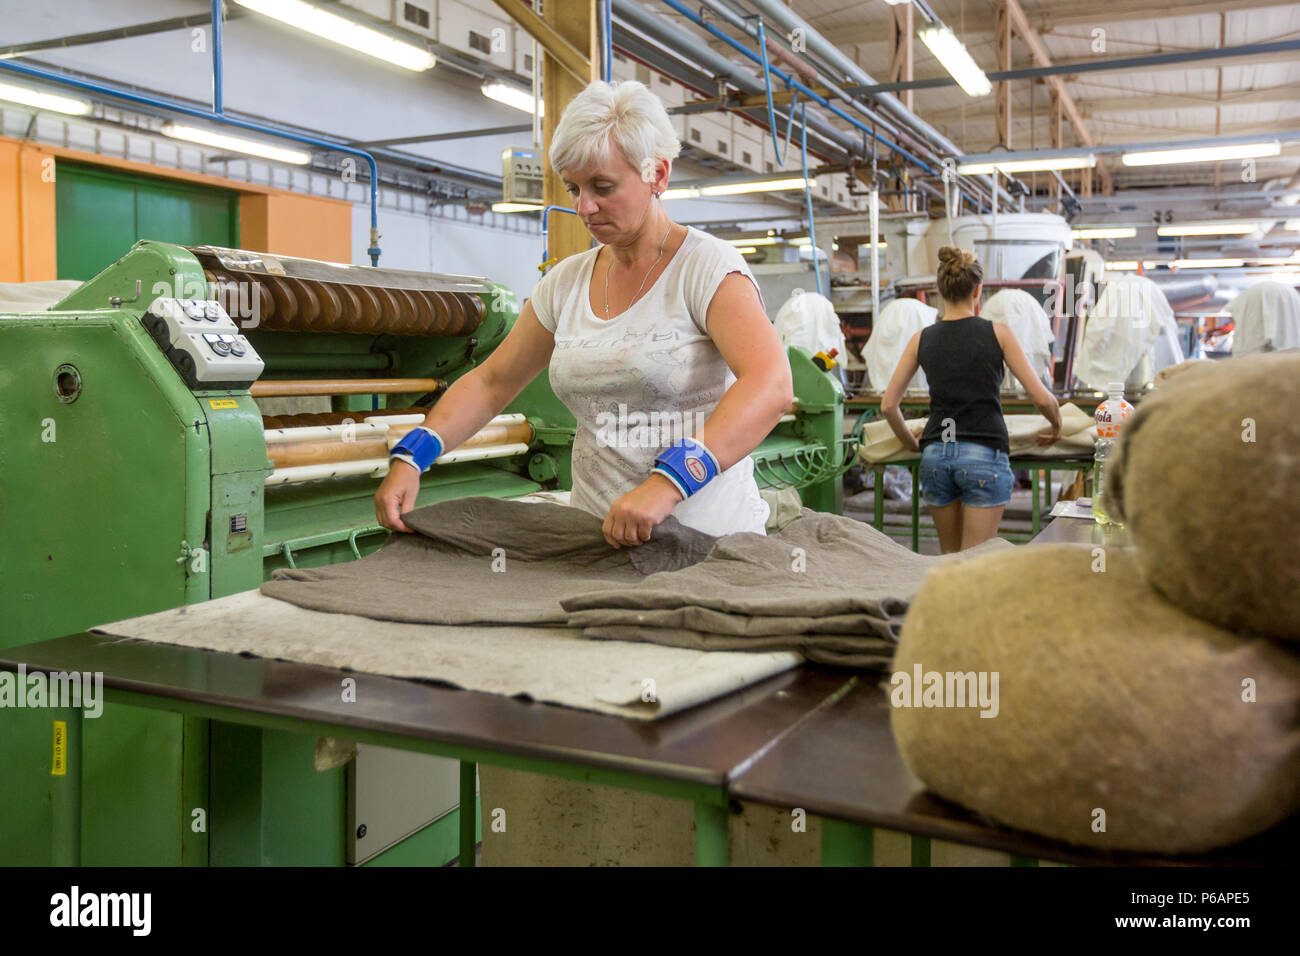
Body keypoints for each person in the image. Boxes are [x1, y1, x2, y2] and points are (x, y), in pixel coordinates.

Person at [374, 79, 791, 545]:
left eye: (603, 187)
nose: (584, 207)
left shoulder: (706, 270)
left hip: (707, 540)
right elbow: (492, 383)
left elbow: (769, 384)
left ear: (658, 175)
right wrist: (412, 456)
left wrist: (669, 483)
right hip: (597, 538)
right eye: (574, 188)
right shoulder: (565, 283)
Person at [879, 246, 1063, 553]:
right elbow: (1041, 398)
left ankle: (943, 603)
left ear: (939, 290)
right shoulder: (998, 333)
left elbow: (888, 405)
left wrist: (913, 443)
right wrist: (1056, 424)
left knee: (950, 559)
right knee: (975, 562)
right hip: (983, 455)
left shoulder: (920, 339)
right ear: (978, 291)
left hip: (937, 455)